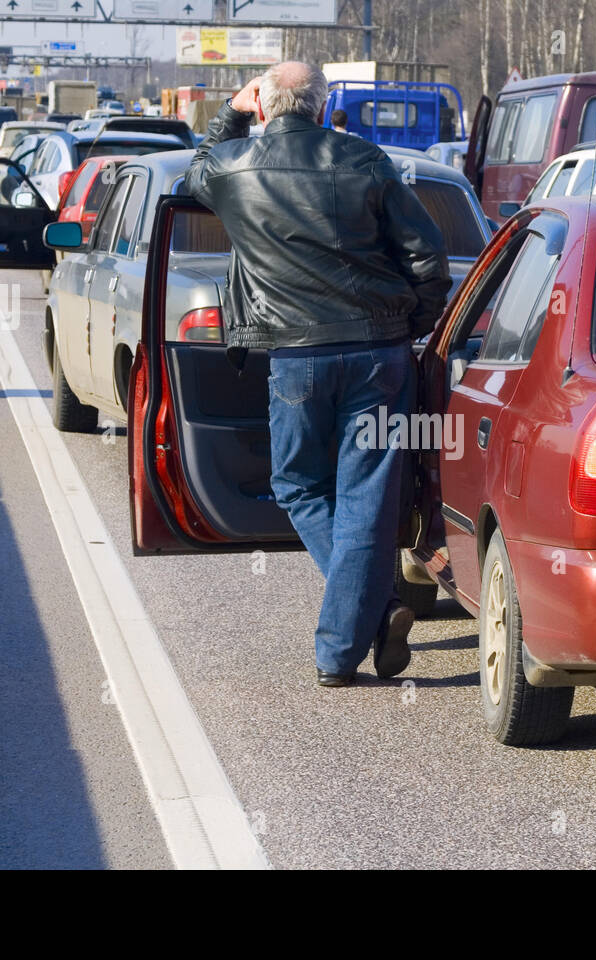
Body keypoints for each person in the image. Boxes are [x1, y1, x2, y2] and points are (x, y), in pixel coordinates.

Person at [183, 62, 450, 688]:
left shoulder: (234, 167)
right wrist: (416, 322)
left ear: (266, 106)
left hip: (296, 357)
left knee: (298, 485)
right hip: (379, 351)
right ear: (323, 104)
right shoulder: (365, 158)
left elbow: (197, 168)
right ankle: (372, 614)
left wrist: (232, 110)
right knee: (368, 498)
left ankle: (343, 648)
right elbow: (426, 253)